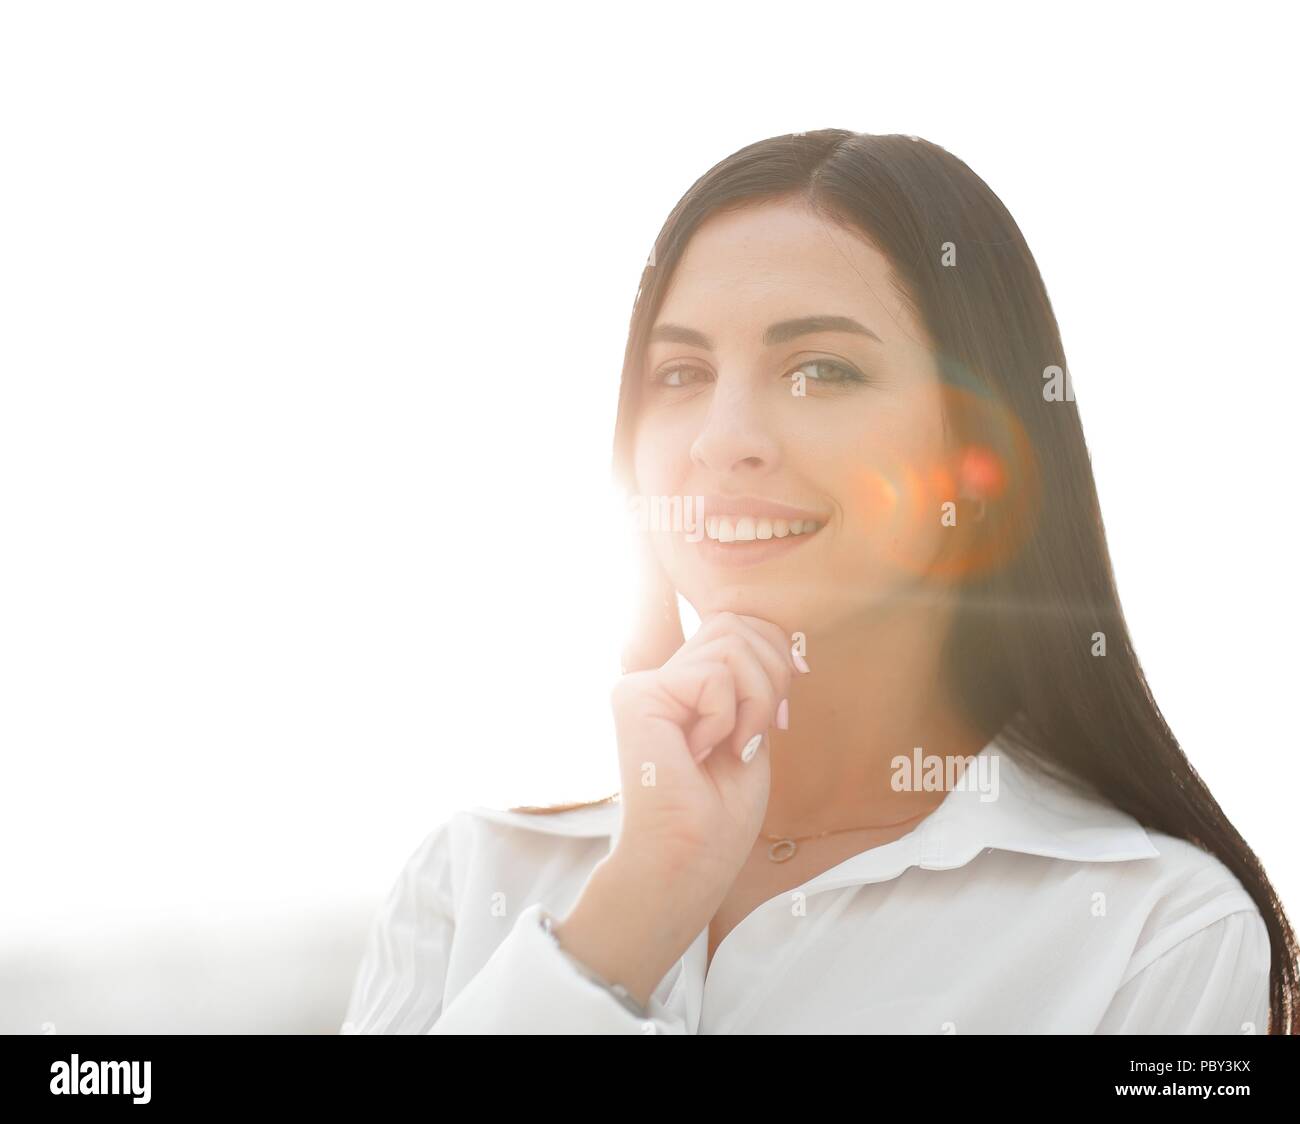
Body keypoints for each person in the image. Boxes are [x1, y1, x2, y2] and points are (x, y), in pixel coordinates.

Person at [340, 129, 1297, 1034]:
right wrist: (634, 912)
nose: (724, 442)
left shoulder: (1162, 932)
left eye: (822, 370)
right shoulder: (469, 881)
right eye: (680, 374)